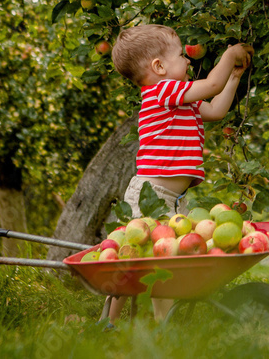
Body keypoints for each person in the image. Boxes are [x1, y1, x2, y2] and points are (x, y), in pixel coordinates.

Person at [105, 23, 253, 322]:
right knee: (146, 262)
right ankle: (135, 324)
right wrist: (230, 55)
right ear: (159, 67)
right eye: (181, 55)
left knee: (146, 261)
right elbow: (211, 84)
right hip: (151, 196)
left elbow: (216, 110)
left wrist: (235, 76)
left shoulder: (180, 99)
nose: (188, 60)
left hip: (172, 199)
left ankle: (125, 322)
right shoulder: (162, 91)